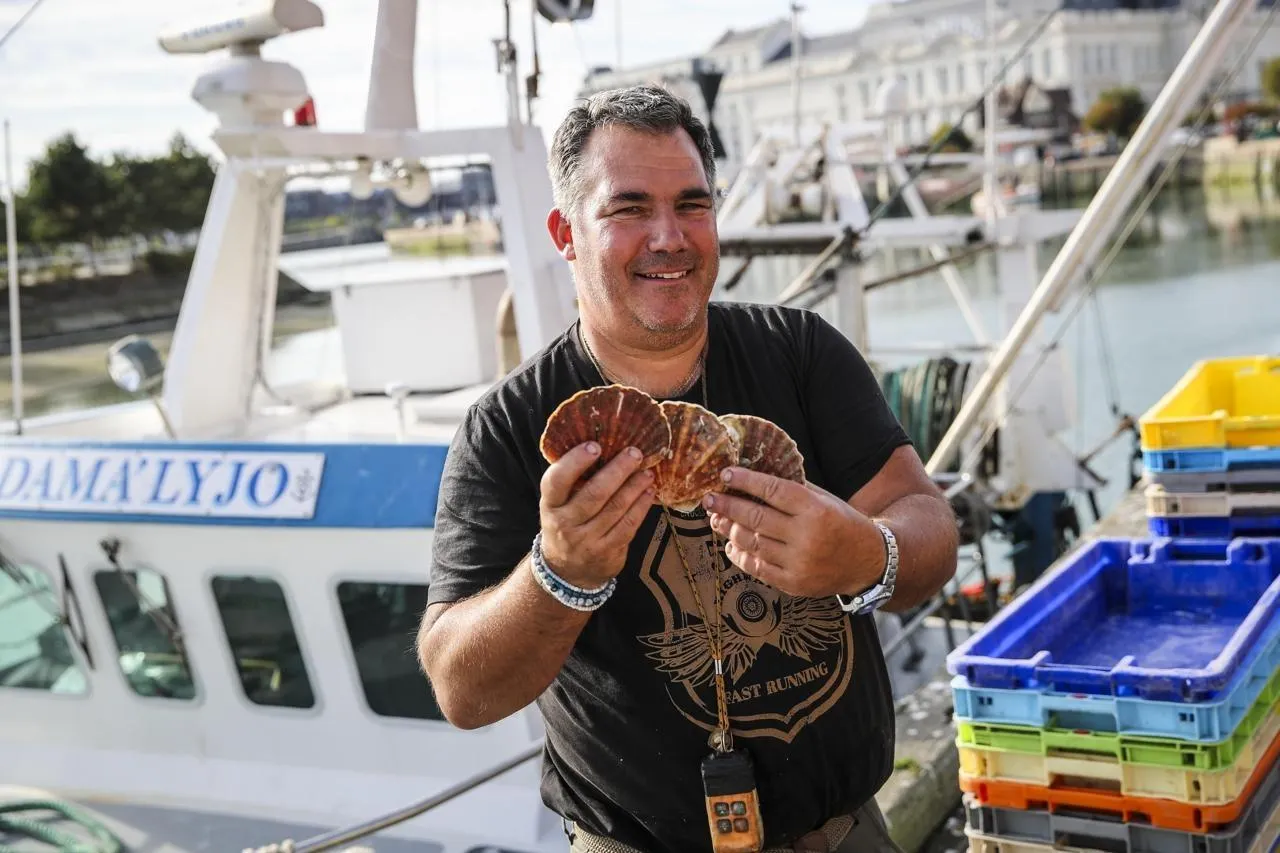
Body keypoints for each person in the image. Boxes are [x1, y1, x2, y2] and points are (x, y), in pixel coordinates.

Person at [417, 84, 959, 853]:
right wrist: (560, 570)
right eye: (629, 208)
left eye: (692, 205)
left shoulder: (800, 352)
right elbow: (461, 689)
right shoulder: (508, 428)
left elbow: (930, 528)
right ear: (565, 233)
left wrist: (866, 552)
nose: (669, 236)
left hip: (844, 834)